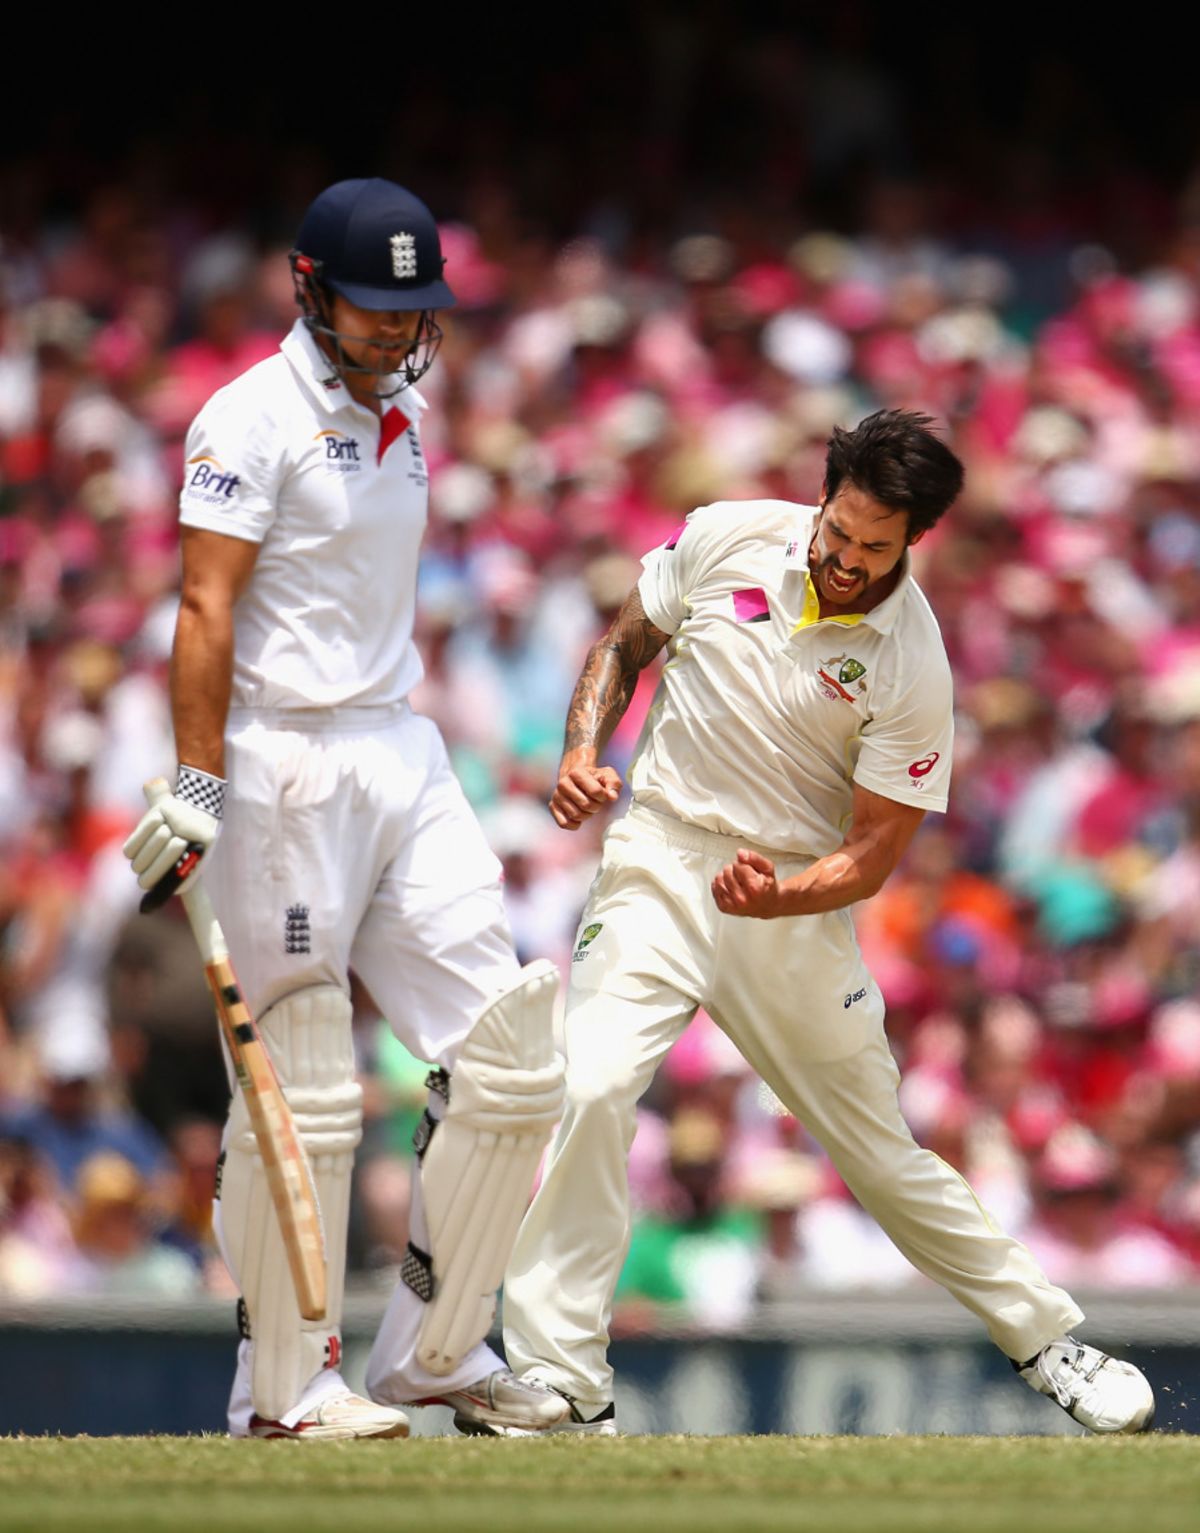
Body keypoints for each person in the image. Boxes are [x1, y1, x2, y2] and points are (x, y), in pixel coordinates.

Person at [501, 409, 1155, 1437]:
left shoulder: (913, 663)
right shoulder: (725, 534)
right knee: (590, 1087)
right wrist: (582, 754)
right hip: (659, 860)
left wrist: (782, 897)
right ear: (823, 498)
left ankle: (1049, 1343)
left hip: (791, 897)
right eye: (838, 532)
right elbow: (622, 647)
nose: (846, 560)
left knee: (877, 1151)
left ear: (915, 539)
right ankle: (564, 1379)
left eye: (875, 548)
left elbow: (876, 851)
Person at [123, 179, 570, 1442]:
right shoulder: (247, 417)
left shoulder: (409, 416)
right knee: (306, 1079)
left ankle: (438, 1352)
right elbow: (205, 606)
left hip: (399, 745)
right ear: (310, 291)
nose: (397, 330)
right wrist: (200, 778)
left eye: (413, 310)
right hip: (282, 757)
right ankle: (283, 1392)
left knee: (512, 1058)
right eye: (374, 308)